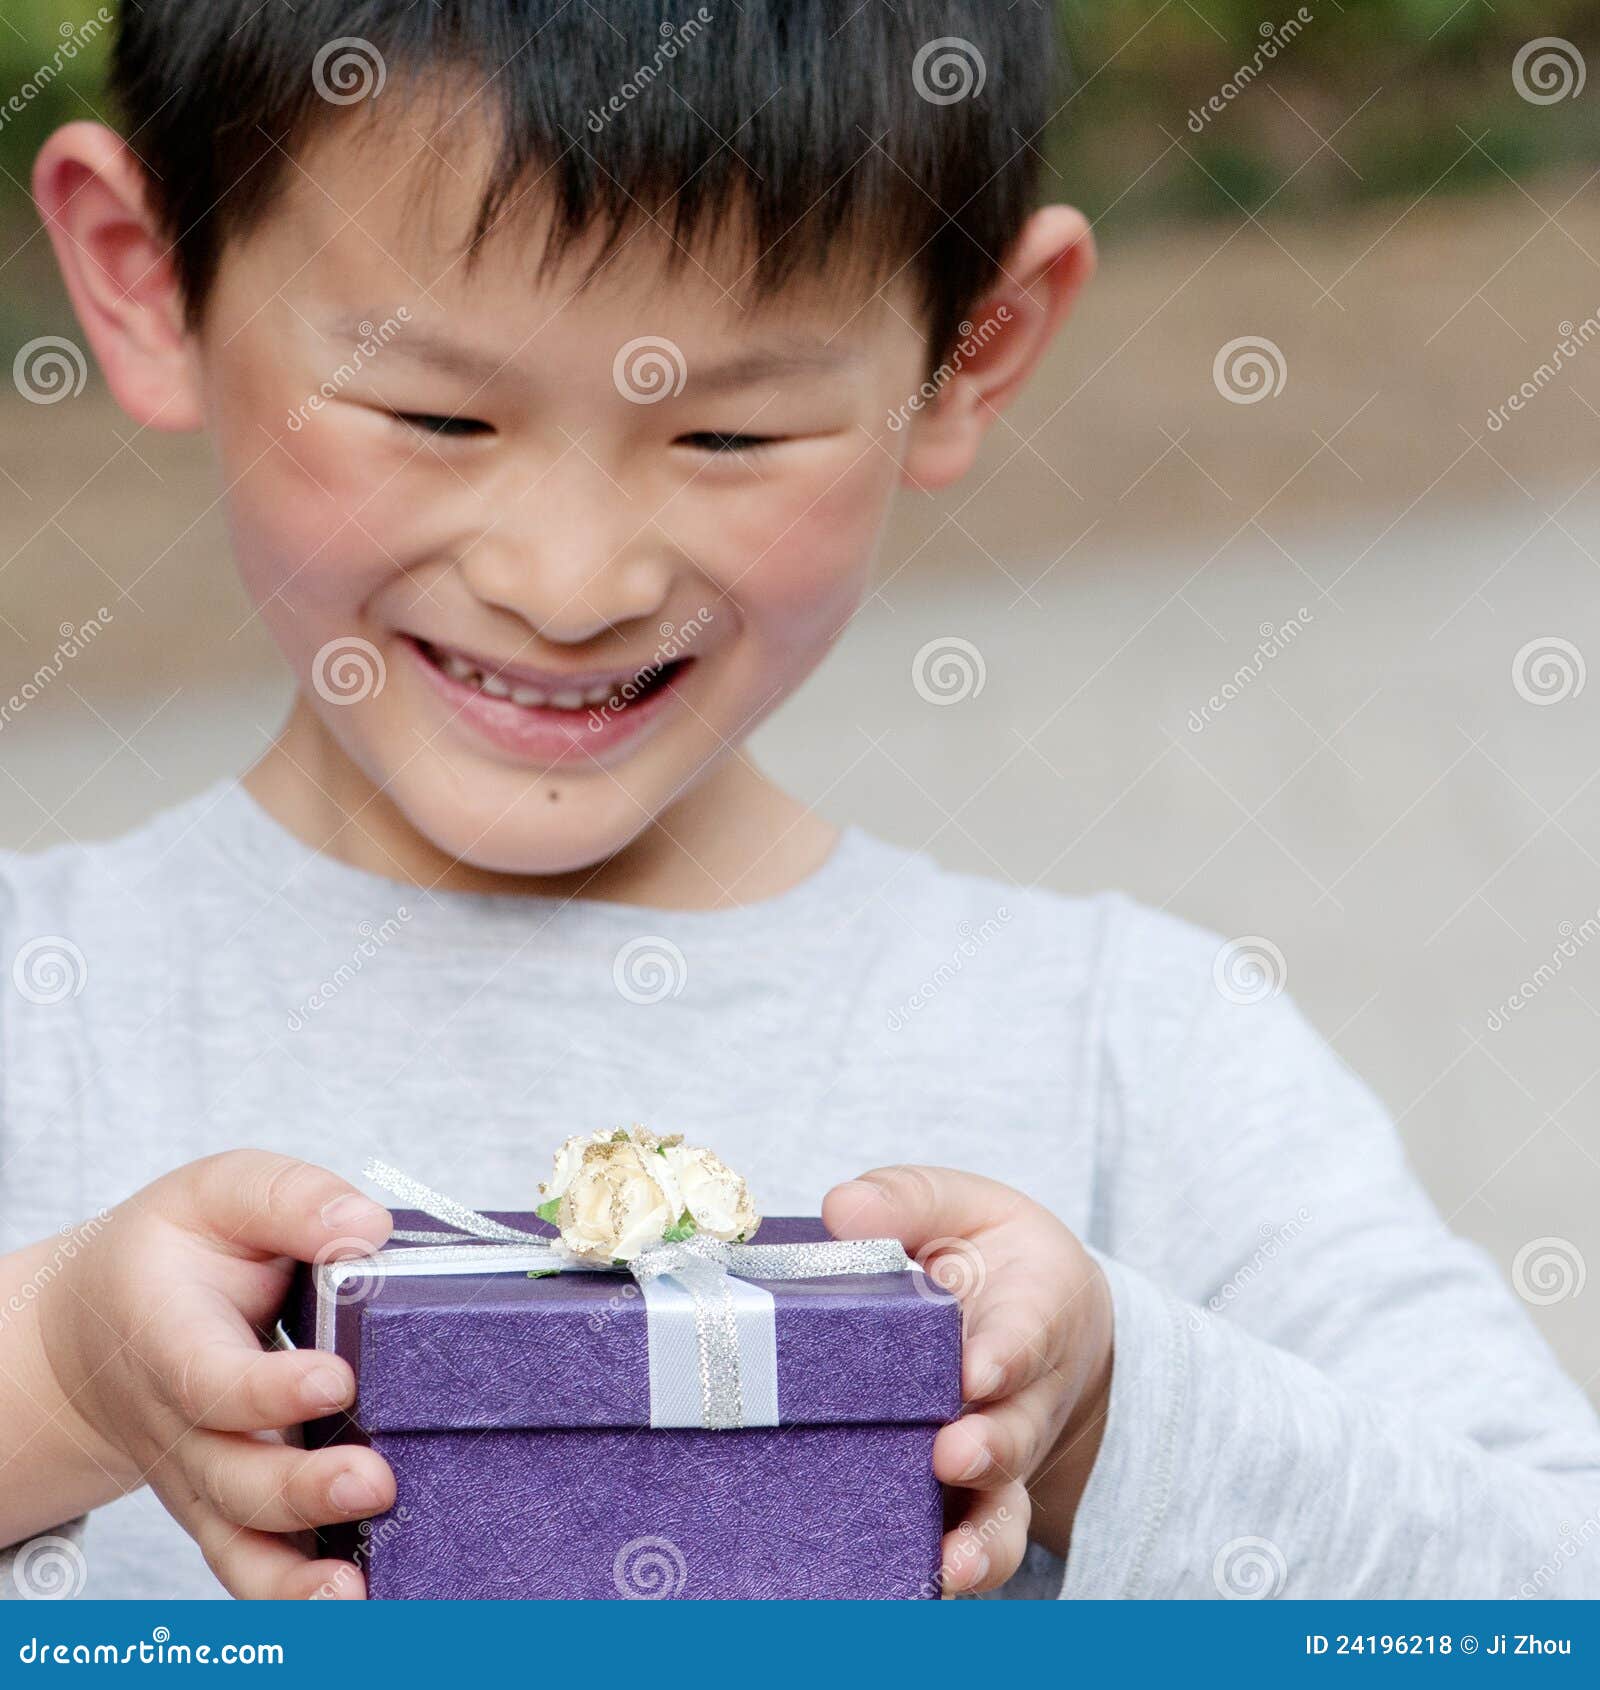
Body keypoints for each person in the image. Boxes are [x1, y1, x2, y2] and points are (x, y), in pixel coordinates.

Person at [3, 0, 1597, 1602]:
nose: (570, 582)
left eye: (730, 432)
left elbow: (1552, 1597)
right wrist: (63, 1382)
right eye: (435, 414)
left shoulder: (1132, 1052)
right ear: (147, 275)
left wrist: (1108, 1406)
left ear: (972, 345)